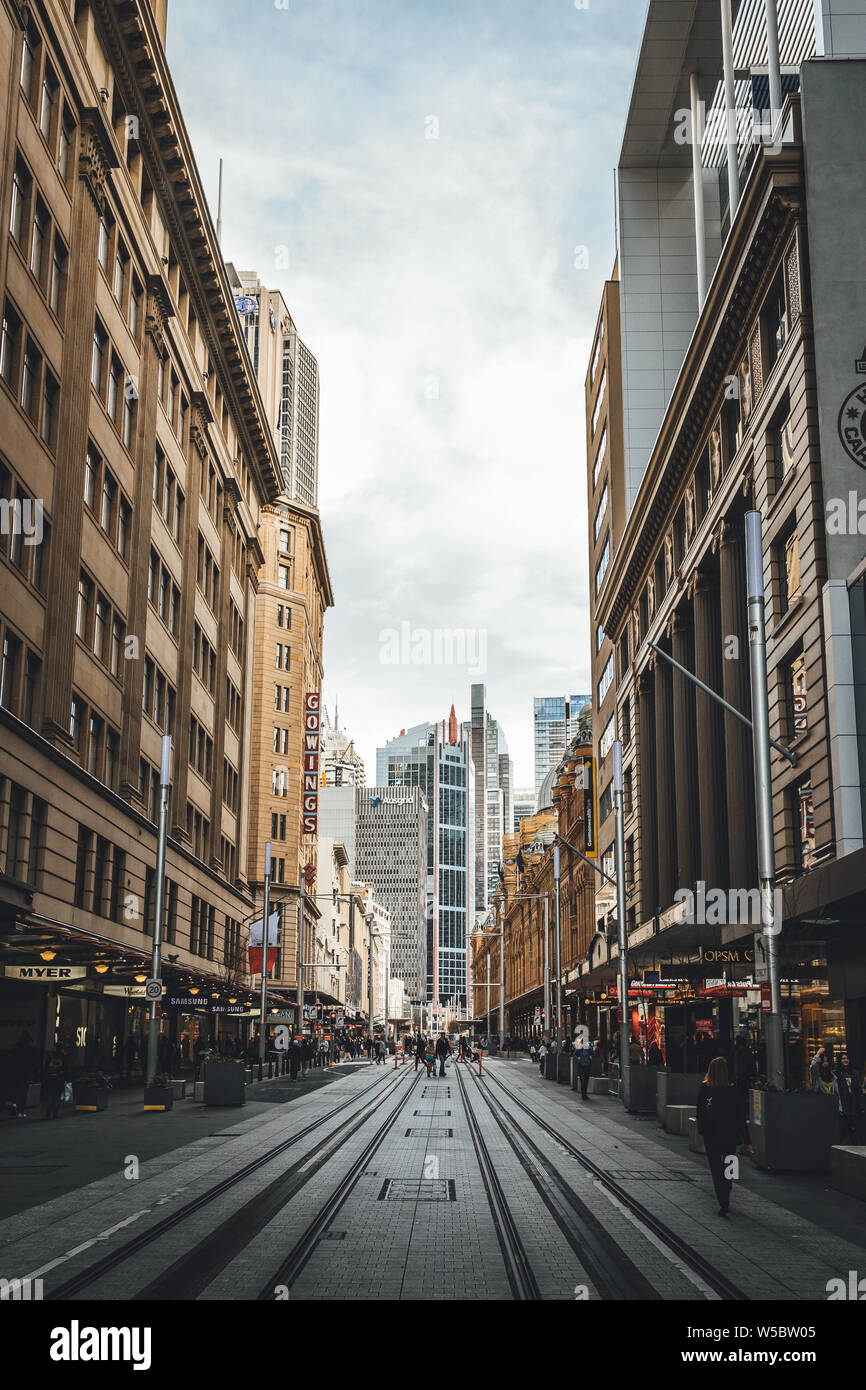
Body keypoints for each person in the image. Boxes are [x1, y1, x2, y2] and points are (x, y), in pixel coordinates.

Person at [696, 1057, 745, 1217]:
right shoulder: (734, 1090)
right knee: (731, 1166)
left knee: (716, 1169)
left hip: (712, 1136)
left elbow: (700, 1112)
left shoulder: (705, 1088)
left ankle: (723, 1201)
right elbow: (740, 1116)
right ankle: (727, 1191)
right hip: (731, 1135)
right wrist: (747, 1140)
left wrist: (702, 1131)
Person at [833, 1053, 862, 1144]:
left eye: (847, 1058)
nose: (846, 1060)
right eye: (843, 1058)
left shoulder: (854, 1073)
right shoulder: (836, 1074)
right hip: (843, 1103)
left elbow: (858, 1091)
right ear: (839, 1061)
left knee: (854, 1127)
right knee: (844, 1128)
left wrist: (860, 1106)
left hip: (853, 1104)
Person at [8, 1031, 37, 1118]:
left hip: (15, 1073)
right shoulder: (30, 1049)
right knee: (23, 1092)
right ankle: (20, 1111)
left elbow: (11, 1060)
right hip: (25, 1074)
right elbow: (33, 1063)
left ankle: (14, 1106)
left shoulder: (16, 1047)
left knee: (16, 1091)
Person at [43, 1049, 65, 1121]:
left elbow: (46, 1072)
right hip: (58, 1082)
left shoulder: (50, 1062)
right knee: (57, 1098)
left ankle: (49, 1113)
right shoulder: (61, 1062)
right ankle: (55, 1113)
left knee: (50, 1097)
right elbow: (64, 1072)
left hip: (50, 1082)